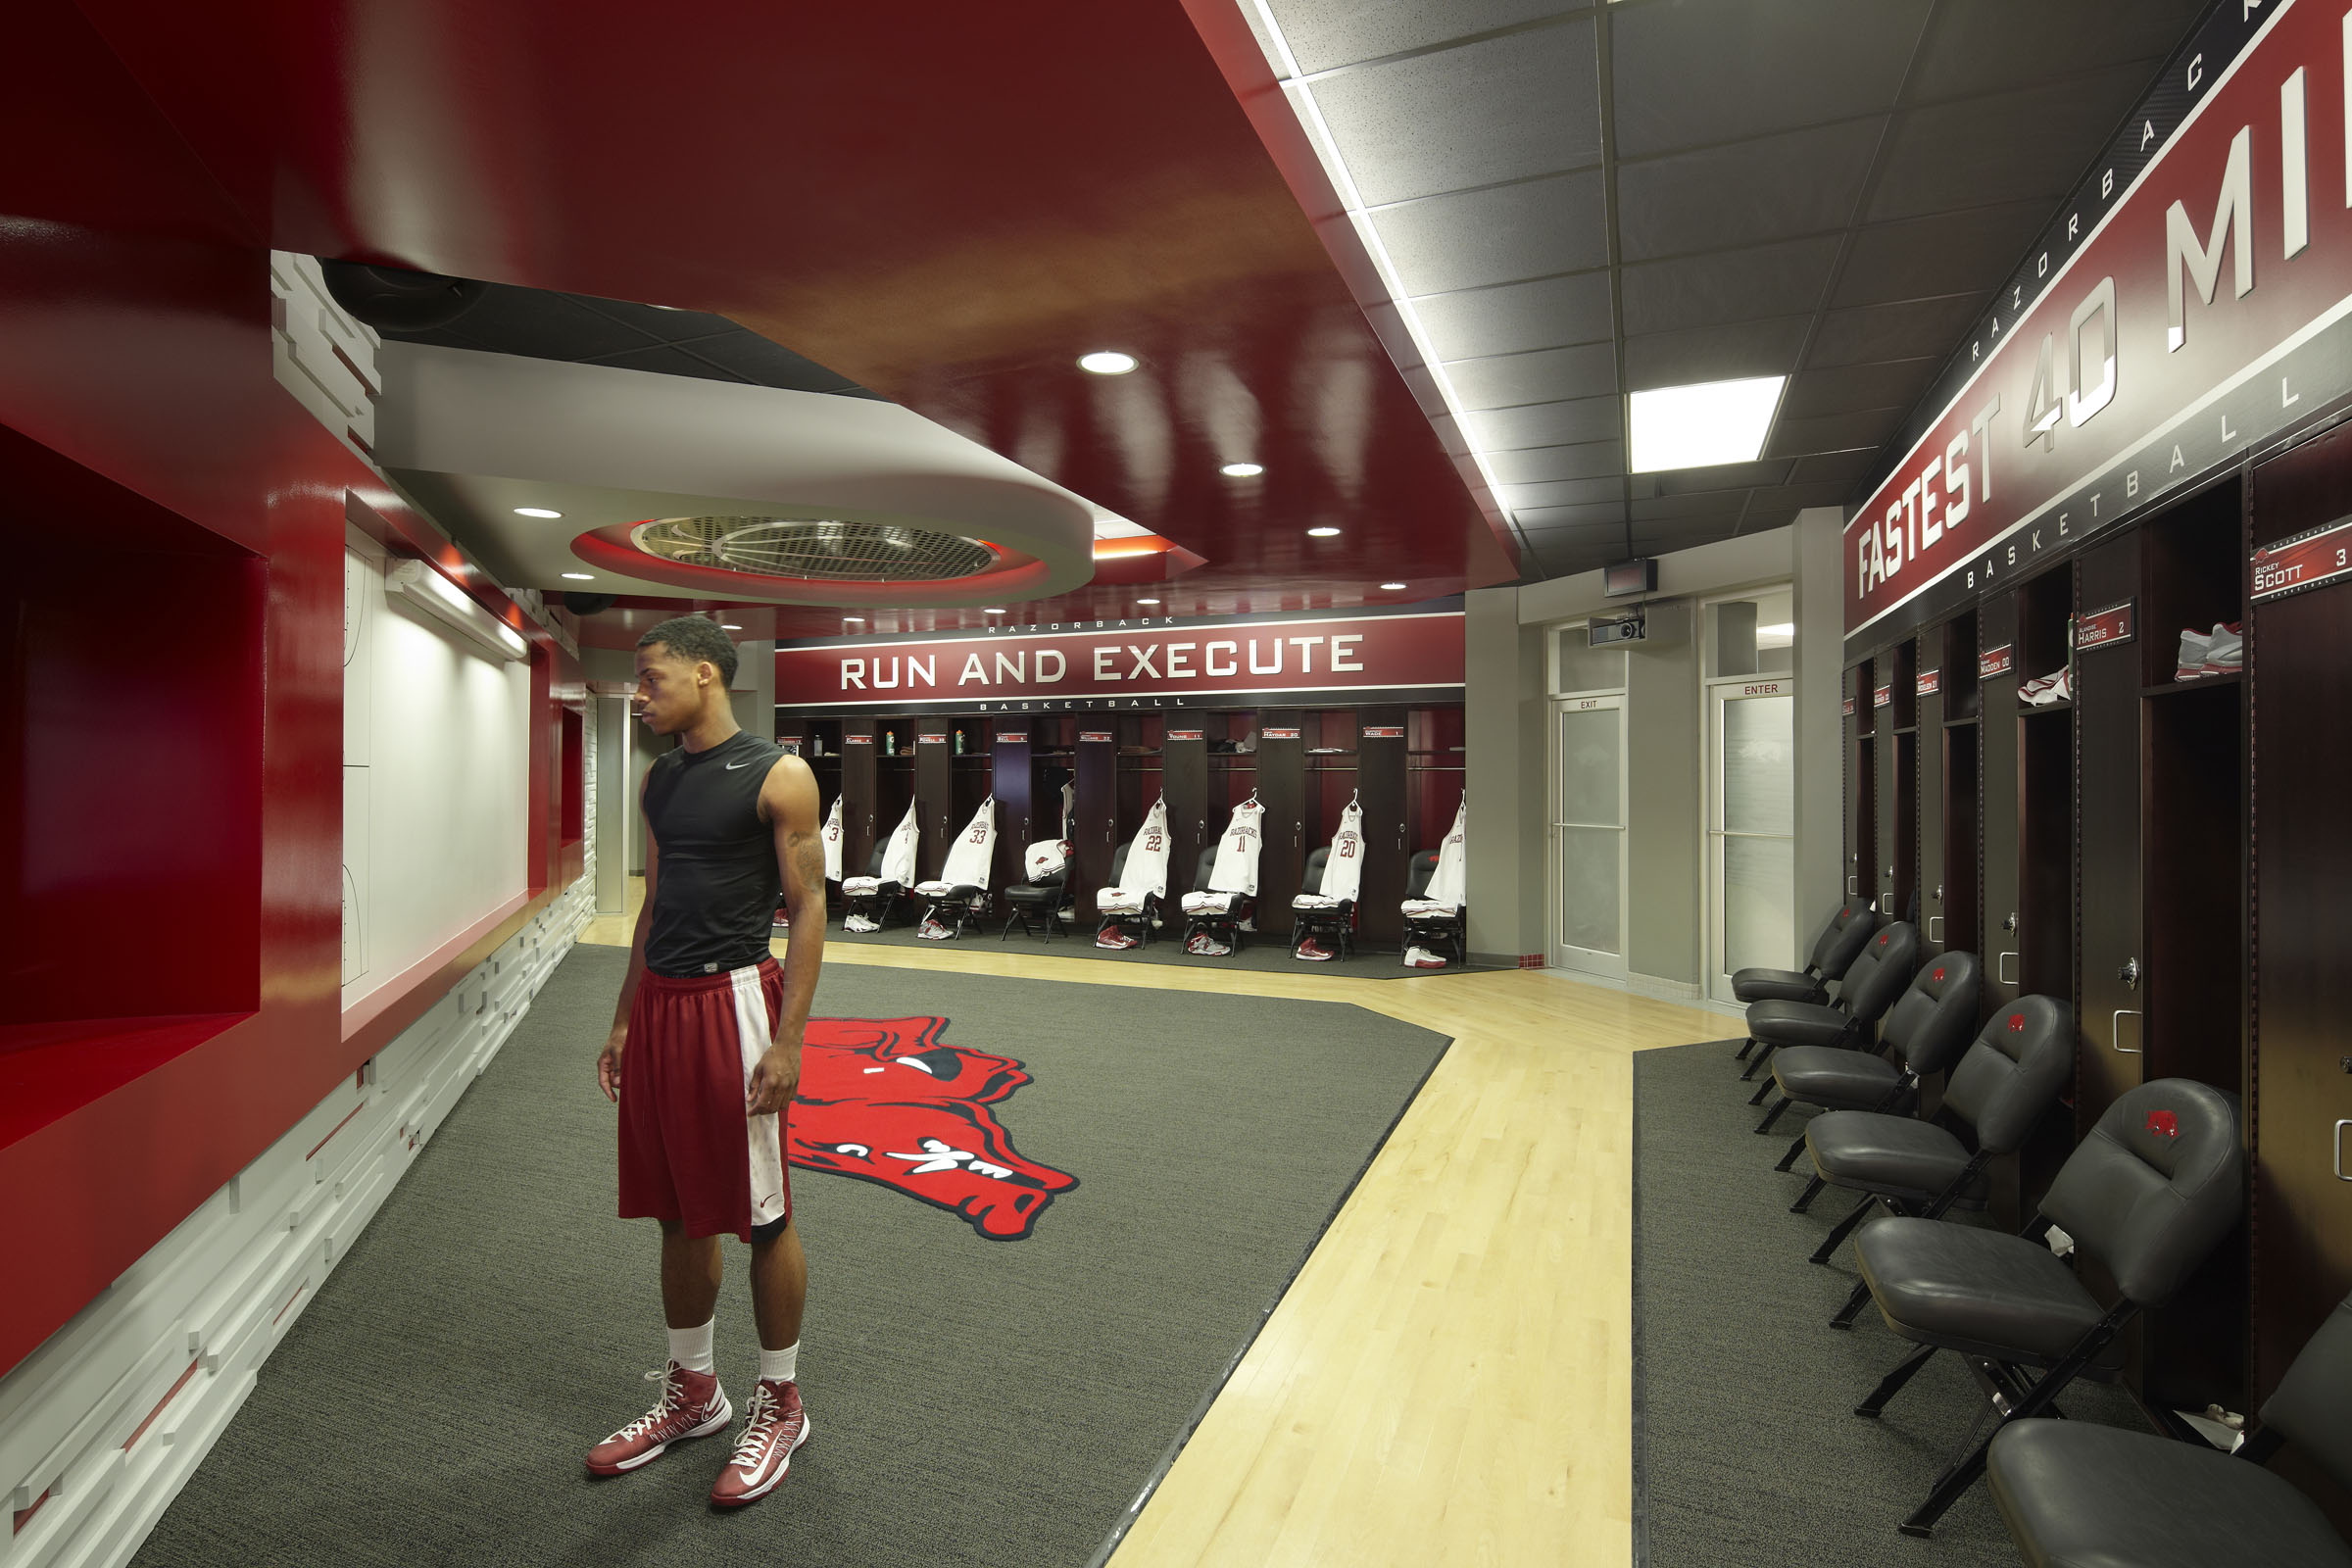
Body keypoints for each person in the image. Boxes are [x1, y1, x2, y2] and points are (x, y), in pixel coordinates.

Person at [585, 617, 827, 1508]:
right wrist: (623, 1019)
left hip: (735, 1004)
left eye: (650, 680)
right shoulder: (660, 778)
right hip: (662, 1008)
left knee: (761, 1213)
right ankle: (695, 1391)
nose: (639, 694)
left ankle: (781, 1399)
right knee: (677, 1207)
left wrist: (790, 1038)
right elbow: (653, 906)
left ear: (703, 674)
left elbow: (807, 909)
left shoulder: (779, 773)